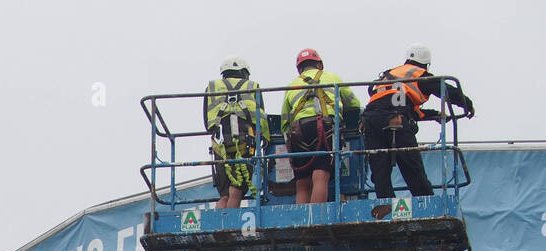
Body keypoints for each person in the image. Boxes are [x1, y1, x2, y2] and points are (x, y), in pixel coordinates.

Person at [361, 44, 474, 199]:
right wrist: (467, 104)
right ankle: (425, 201)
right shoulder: (420, 75)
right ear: (426, 63)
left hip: (371, 119)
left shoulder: (388, 75)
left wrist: (434, 114)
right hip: (396, 119)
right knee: (411, 165)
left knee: (380, 168)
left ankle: (385, 204)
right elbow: (446, 90)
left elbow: (402, 105)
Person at [281, 49, 359, 204]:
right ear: (319, 65)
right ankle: (317, 220)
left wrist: (288, 140)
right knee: (320, 175)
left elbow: (285, 119)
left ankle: (302, 223)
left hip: (299, 130)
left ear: (300, 69)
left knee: (302, 183)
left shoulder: (292, 85)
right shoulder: (332, 78)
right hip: (325, 127)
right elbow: (354, 104)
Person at [203, 57, 268, 209]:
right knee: (237, 188)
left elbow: (207, 122)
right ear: (245, 73)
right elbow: (261, 119)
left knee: (224, 193)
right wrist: (266, 139)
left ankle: (219, 224)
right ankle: (229, 222)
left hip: (220, 142)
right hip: (245, 140)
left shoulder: (212, 87)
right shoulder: (252, 86)